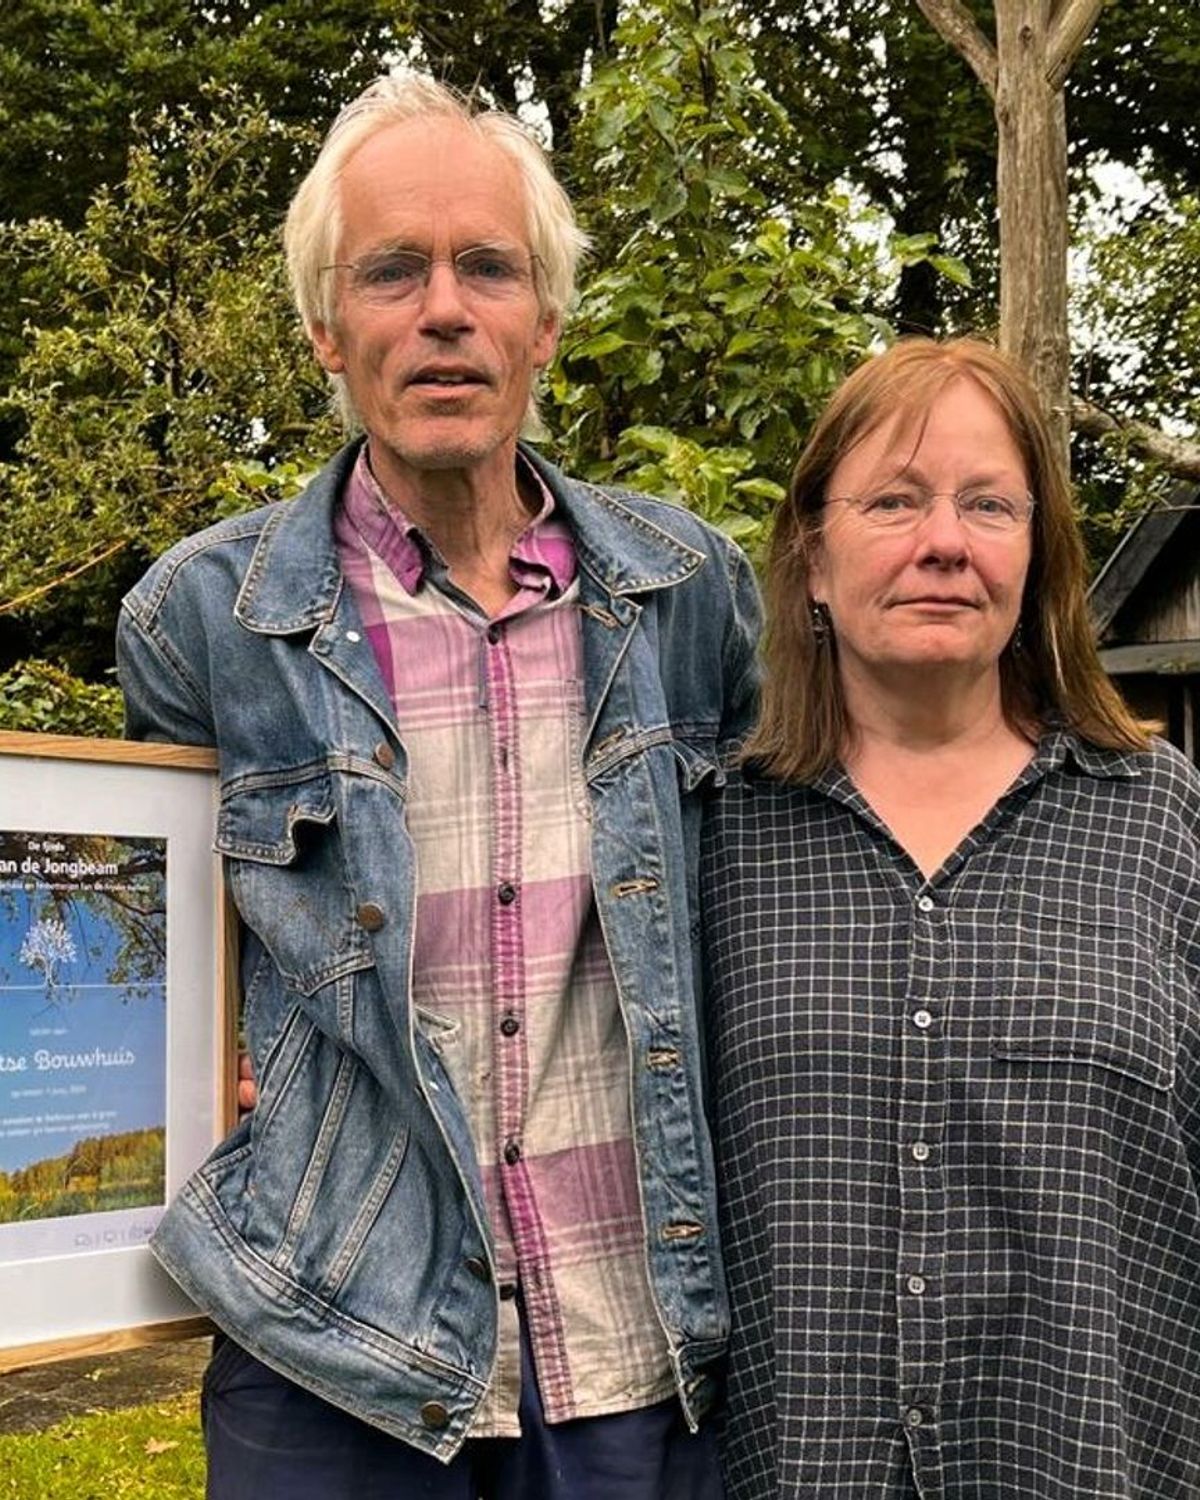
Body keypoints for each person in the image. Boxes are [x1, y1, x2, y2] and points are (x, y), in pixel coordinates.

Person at [116, 71, 760, 1500]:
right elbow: (146, 952)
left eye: (488, 266)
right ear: (325, 330)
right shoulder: (204, 622)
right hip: (333, 1341)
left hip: (636, 1347)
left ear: (547, 319)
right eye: (393, 271)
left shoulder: (693, 595)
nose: (444, 310)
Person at [701, 337, 1200, 1498]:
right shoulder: (712, 832)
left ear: (1037, 556)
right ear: (812, 559)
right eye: (893, 501)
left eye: (988, 504)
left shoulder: (1162, 819)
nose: (943, 543)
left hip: (1097, 1463)